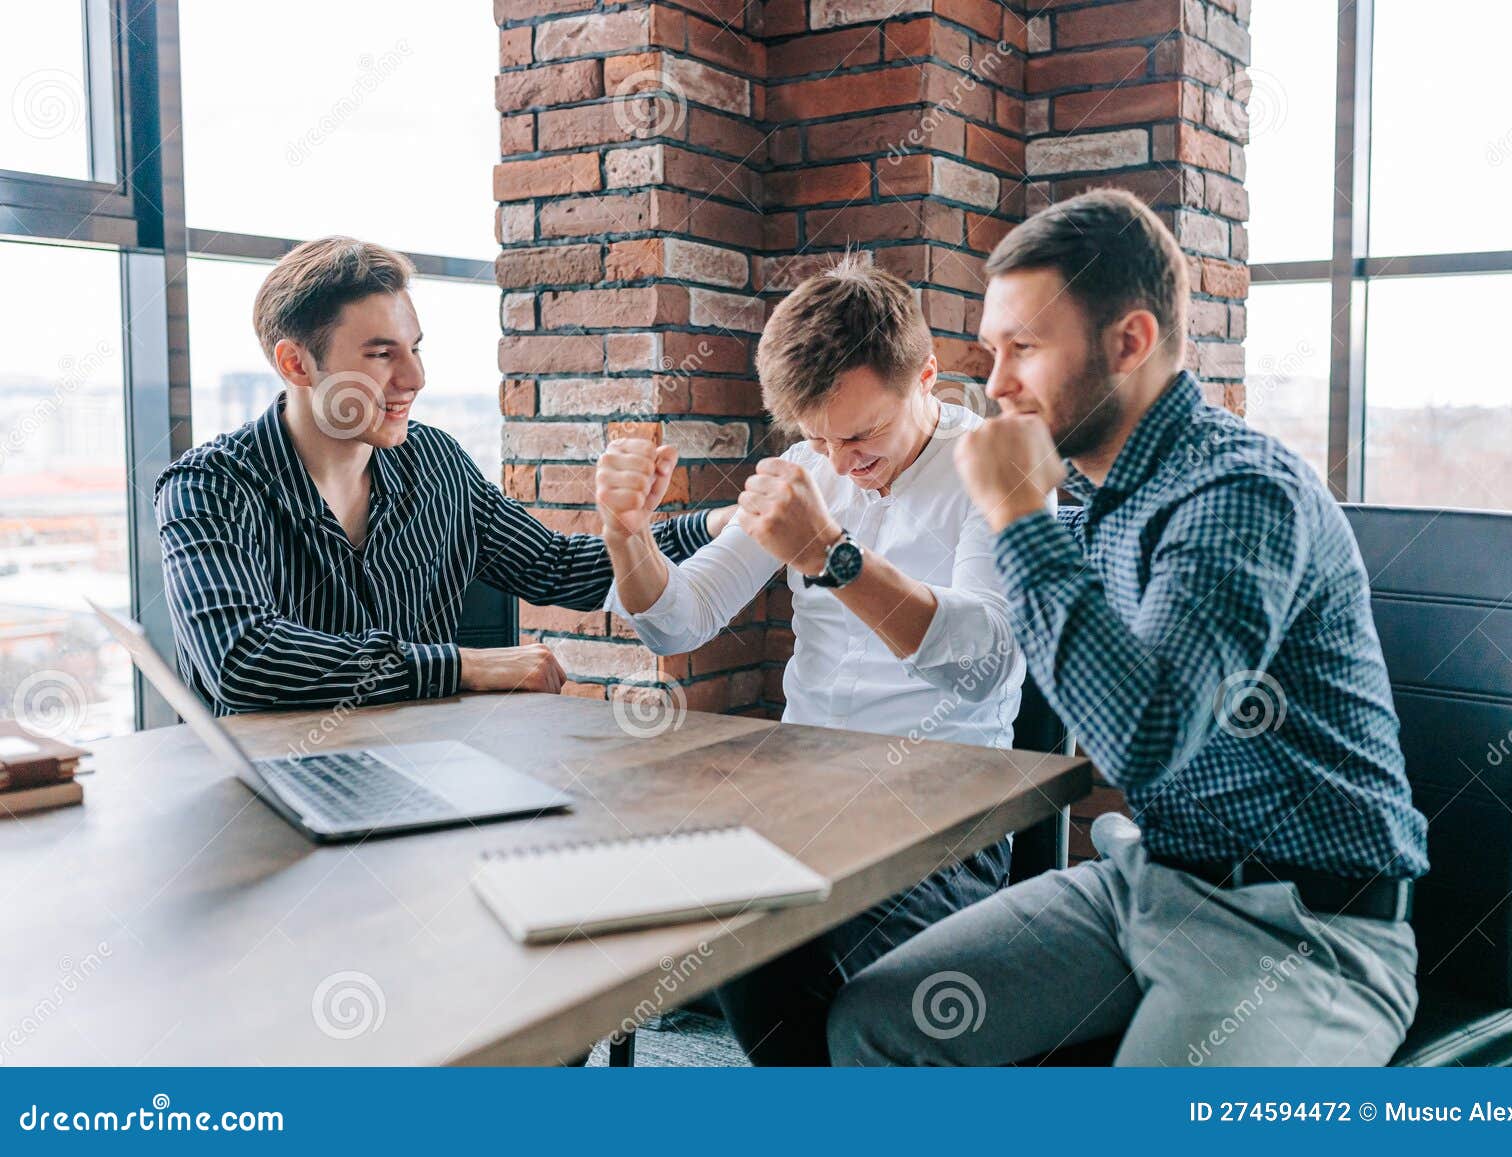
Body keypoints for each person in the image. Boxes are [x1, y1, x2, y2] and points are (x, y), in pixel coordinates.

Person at [827, 189, 1429, 1067]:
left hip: (1309, 928)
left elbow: (1146, 739)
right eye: (992, 352)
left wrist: (1016, 510)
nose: (996, 385)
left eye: (1024, 349)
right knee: (877, 1021)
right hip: (1150, 881)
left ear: (1130, 342)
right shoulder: (1107, 497)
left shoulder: (1236, 492)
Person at [594, 256, 1030, 1065]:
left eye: (861, 435)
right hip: (803, 799)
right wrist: (629, 538)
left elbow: (984, 663)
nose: (841, 462)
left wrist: (833, 557)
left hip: (942, 818)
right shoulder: (813, 470)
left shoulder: (1000, 464)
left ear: (926, 376)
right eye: (818, 437)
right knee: (681, 905)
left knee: (847, 992)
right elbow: (680, 620)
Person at [155, 236, 728, 714]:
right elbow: (243, 662)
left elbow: (556, 567)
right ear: (296, 364)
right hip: (271, 786)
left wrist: (715, 527)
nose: (414, 378)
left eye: (415, 349)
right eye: (382, 355)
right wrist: (462, 666)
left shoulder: (435, 461)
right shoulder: (207, 487)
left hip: (420, 769)